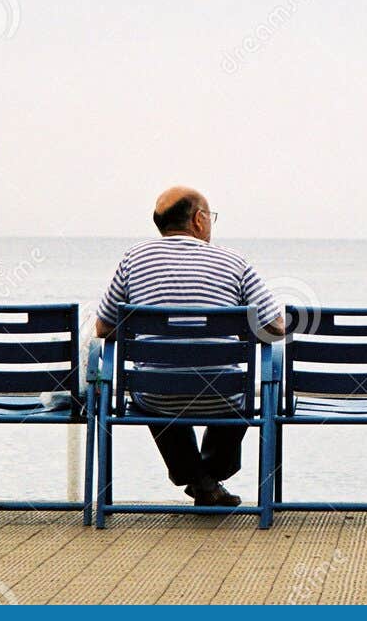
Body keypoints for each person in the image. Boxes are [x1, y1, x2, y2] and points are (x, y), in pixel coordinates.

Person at [94, 186, 283, 507]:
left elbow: (103, 327)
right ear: (198, 219)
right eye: (211, 217)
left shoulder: (133, 259)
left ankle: (198, 479)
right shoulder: (234, 262)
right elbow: (275, 328)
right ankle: (210, 476)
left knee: (159, 386)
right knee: (236, 392)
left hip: (155, 395)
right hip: (222, 394)